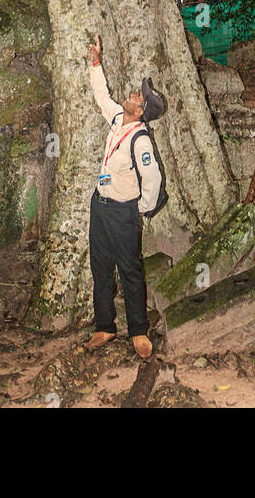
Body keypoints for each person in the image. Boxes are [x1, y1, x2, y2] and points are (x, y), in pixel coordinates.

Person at [86, 33, 164, 359]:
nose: (132, 94)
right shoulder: (118, 118)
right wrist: (95, 63)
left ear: (142, 110)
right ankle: (105, 325)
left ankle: (138, 331)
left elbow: (154, 178)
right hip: (100, 207)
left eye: (138, 96)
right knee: (100, 268)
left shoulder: (141, 140)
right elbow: (102, 96)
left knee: (131, 271)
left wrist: (141, 209)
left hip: (123, 213)